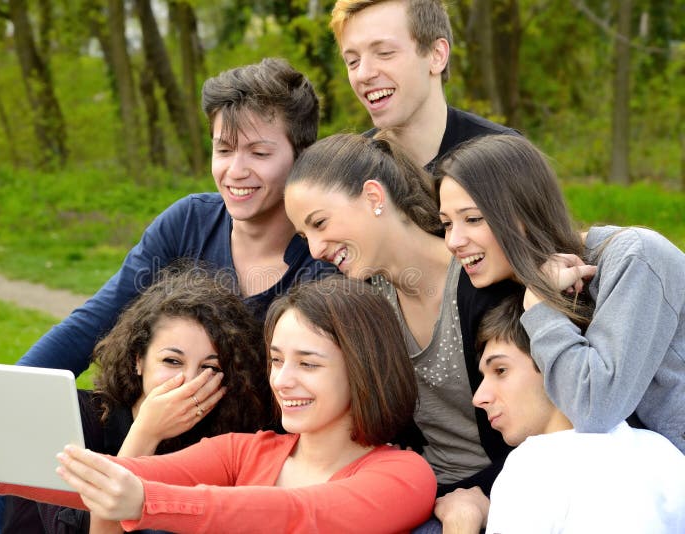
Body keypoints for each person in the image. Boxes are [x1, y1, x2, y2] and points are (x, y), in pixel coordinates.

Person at [0, 58, 333, 527]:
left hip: (242, 463)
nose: (235, 171)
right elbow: (90, 325)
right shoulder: (187, 223)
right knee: (14, 453)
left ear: (301, 156)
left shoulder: (320, 261)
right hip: (149, 434)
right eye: (223, 149)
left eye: (259, 153)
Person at [0, 276, 438, 533]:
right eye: (277, 359)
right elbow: (118, 476)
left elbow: (297, 516)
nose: (283, 380)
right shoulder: (244, 451)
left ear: (364, 369)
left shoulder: (403, 475)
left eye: (308, 364)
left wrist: (146, 501)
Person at [284, 134, 521, 522]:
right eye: (304, 235)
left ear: (374, 197)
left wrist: (467, 505)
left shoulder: (482, 280)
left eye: (320, 223)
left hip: (499, 492)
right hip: (411, 490)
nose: (314, 249)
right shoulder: (366, 300)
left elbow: (543, 433)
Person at [0, 266, 271, 533]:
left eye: (209, 367)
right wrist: (146, 432)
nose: (187, 380)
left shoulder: (228, 441)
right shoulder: (75, 419)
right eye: (172, 362)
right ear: (138, 360)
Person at [436, 134, 685, 454]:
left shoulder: (634, 258)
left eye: (472, 219)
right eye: (446, 224)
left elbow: (596, 408)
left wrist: (539, 307)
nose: (454, 241)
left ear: (523, 212)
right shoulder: (509, 290)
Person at [469, 296, 685, 533]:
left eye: (501, 370)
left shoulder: (531, 470)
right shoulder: (660, 450)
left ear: (553, 360)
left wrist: (462, 521)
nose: (479, 397)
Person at [330, 0, 518, 172]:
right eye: (353, 61)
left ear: (437, 55)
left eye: (384, 53)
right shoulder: (349, 174)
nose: (363, 74)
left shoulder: (506, 160)